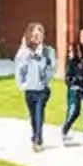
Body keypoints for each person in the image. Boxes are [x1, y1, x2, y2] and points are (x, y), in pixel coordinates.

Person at [14, 22, 55, 152]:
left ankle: (38, 139)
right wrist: (22, 85)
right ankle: (35, 135)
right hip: (29, 90)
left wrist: (45, 78)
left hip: (42, 90)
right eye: (34, 35)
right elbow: (19, 70)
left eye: (39, 35)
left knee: (39, 114)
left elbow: (51, 68)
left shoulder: (48, 51)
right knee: (32, 116)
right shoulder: (23, 52)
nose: (37, 37)